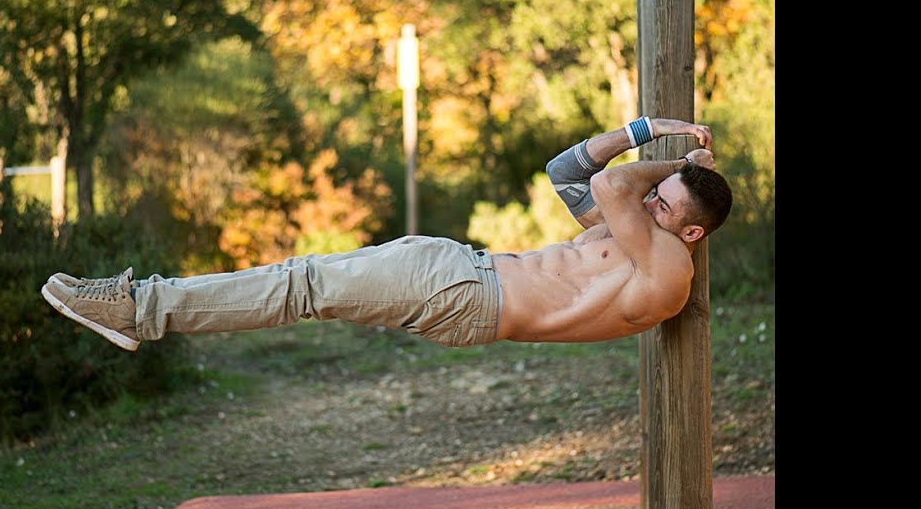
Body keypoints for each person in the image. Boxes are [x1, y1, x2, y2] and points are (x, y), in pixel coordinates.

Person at [41, 116, 732, 351]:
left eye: (666, 205)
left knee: (300, 285)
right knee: (302, 281)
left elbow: (614, 185)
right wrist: (644, 129)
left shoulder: (665, 267)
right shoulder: (639, 237)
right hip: (462, 273)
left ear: (694, 233)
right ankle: (142, 308)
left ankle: (138, 309)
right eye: (658, 197)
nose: (652, 203)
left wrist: (673, 156)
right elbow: (571, 173)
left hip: (470, 293)